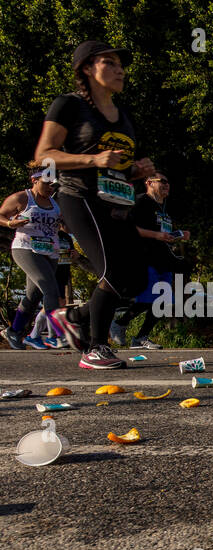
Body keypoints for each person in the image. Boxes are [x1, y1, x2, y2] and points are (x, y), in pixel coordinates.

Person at [37, 41, 157, 370]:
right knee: (114, 270)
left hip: (115, 200)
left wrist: (136, 170)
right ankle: (96, 348)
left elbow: (116, 165)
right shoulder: (69, 105)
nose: (120, 69)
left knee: (135, 278)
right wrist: (92, 158)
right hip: (79, 197)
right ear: (87, 69)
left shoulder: (122, 114)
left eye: (121, 64)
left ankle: (72, 316)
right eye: (110, 62)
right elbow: (44, 155)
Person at [115, 171, 189, 349]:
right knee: (148, 299)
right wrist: (156, 235)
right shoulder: (140, 201)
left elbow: (164, 233)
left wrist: (178, 235)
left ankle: (140, 338)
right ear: (149, 183)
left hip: (164, 258)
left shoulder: (164, 207)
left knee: (164, 301)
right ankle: (120, 323)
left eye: (168, 182)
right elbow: (129, 229)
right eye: (162, 181)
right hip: (144, 256)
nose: (166, 185)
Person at [2, 169, 63, 351]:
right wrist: (10, 223)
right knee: (50, 289)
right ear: (34, 180)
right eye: (46, 183)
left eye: (53, 185)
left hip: (50, 251)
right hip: (26, 248)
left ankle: (14, 331)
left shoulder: (55, 203)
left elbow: (64, 225)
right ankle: (56, 335)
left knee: (33, 296)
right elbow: (1, 215)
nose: (50, 188)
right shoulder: (21, 198)